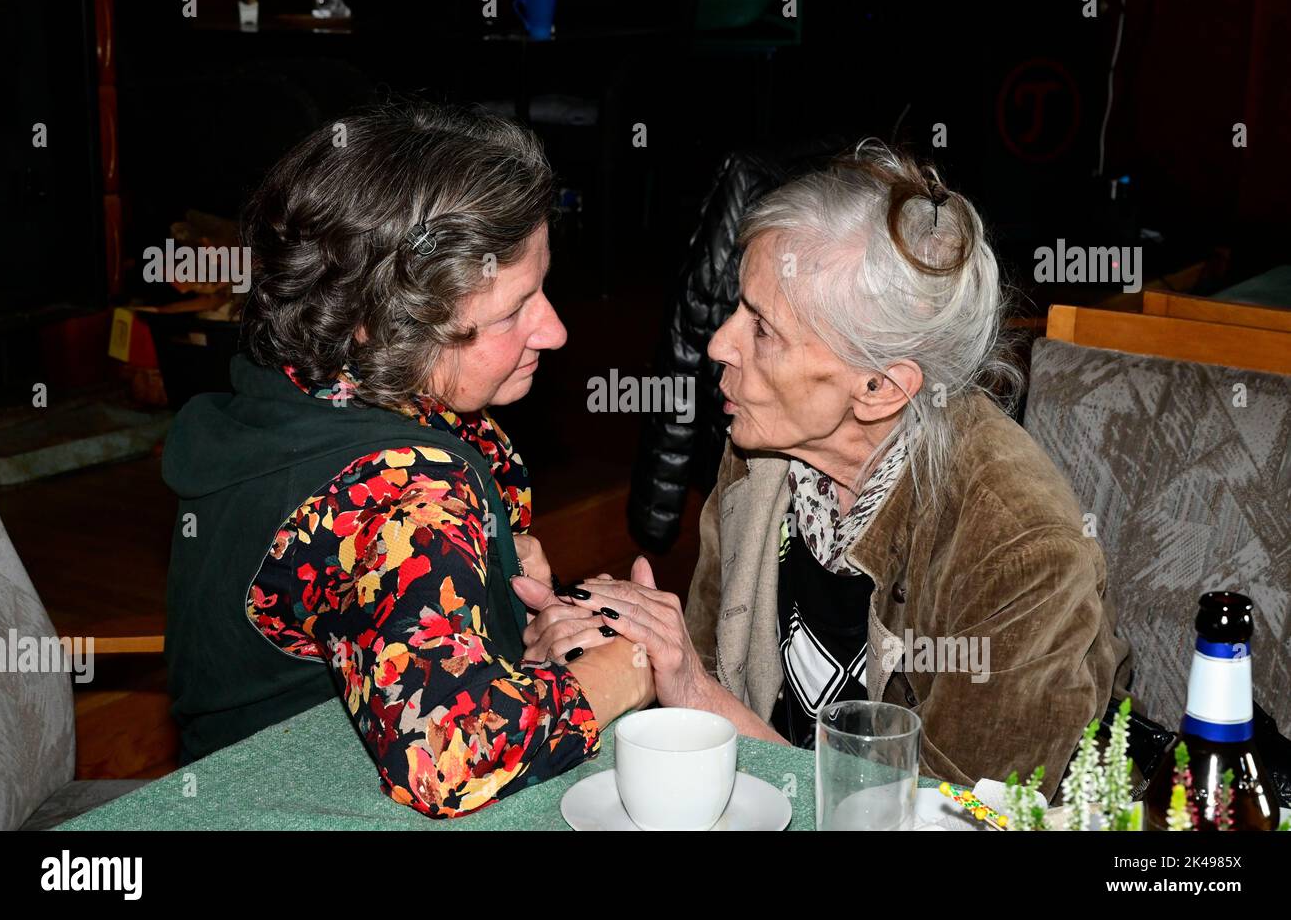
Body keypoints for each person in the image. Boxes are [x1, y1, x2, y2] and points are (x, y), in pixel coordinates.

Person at [519, 142, 1133, 799]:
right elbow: (700, 672)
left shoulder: (1015, 551)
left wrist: (690, 690)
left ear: (879, 389)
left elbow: (953, 820)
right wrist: (610, 641)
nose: (719, 343)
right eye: (737, 307)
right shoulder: (762, 449)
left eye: (763, 330)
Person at [162, 102, 652, 818]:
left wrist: (505, 609)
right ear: (376, 325)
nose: (555, 328)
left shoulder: (290, 390)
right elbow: (452, 759)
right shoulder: (395, 486)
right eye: (514, 309)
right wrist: (630, 663)